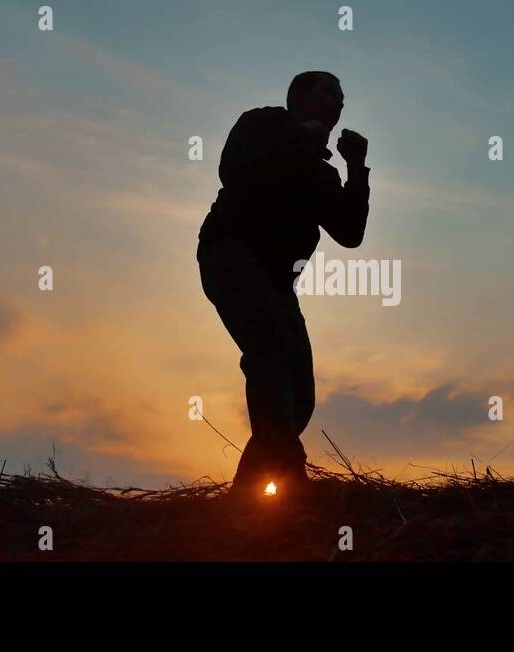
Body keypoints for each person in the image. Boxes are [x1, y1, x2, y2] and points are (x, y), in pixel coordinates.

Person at [197, 71, 370, 495]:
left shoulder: (321, 174)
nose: (338, 102)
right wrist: (299, 139)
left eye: (342, 97)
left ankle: (250, 489)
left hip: (277, 282)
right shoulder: (263, 123)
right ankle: (289, 473)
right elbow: (233, 168)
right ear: (299, 96)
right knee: (270, 346)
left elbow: (349, 232)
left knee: (300, 392)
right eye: (329, 91)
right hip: (231, 254)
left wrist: (355, 167)